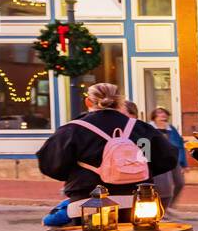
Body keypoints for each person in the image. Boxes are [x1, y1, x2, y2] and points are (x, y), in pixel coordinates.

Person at [37, 82, 177, 203]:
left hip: (86, 197)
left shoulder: (72, 130)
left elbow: (50, 164)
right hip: (137, 197)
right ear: (120, 102)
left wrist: (74, 173)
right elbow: (166, 158)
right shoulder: (140, 129)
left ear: (88, 102)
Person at [150, 106, 188, 209]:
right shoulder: (149, 128)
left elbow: (179, 146)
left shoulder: (171, 129)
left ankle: (169, 206)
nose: (163, 116)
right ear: (154, 117)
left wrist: (183, 164)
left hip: (173, 160)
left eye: (164, 114)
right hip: (158, 162)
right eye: (160, 114)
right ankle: (161, 208)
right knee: (162, 188)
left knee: (180, 183)